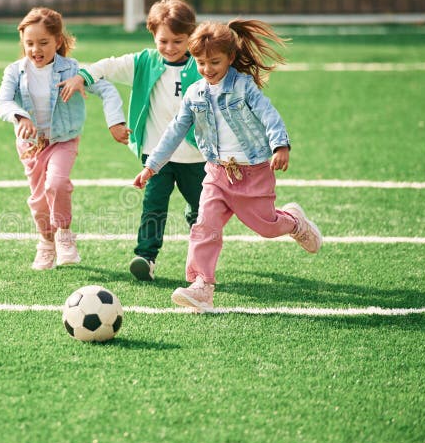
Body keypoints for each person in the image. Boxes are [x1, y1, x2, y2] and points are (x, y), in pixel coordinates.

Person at [133, 18, 323, 311]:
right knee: (204, 226)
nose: (207, 69)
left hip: (253, 173)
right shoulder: (195, 93)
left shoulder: (243, 86)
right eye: (200, 62)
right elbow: (174, 131)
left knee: (268, 227)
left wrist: (280, 145)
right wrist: (152, 165)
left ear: (230, 58)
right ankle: (201, 287)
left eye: (215, 62)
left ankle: (294, 222)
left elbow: (269, 115)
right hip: (217, 173)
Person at [59, 0, 205, 282]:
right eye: (163, 41)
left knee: (202, 212)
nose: (170, 48)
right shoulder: (144, 62)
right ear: (153, 35)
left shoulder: (202, 66)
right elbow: (108, 66)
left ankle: (200, 256)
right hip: (155, 155)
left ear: (191, 36)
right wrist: (82, 77)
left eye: (178, 41)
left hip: (196, 155)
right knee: (153, 206)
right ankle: (146, 257)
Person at [0, 7, 125, 270]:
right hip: (31, 146)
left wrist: (115, 122)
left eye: (43, 42)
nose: (36, 49)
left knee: (57, 183)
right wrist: (20, 117)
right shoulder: (14, 72)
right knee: (39, 200)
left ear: (58, 41)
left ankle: (64, 234)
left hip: (64, 140)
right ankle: (46, 243)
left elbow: (108, 90)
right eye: (29, 43)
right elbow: (2, 102)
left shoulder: (73, 70)